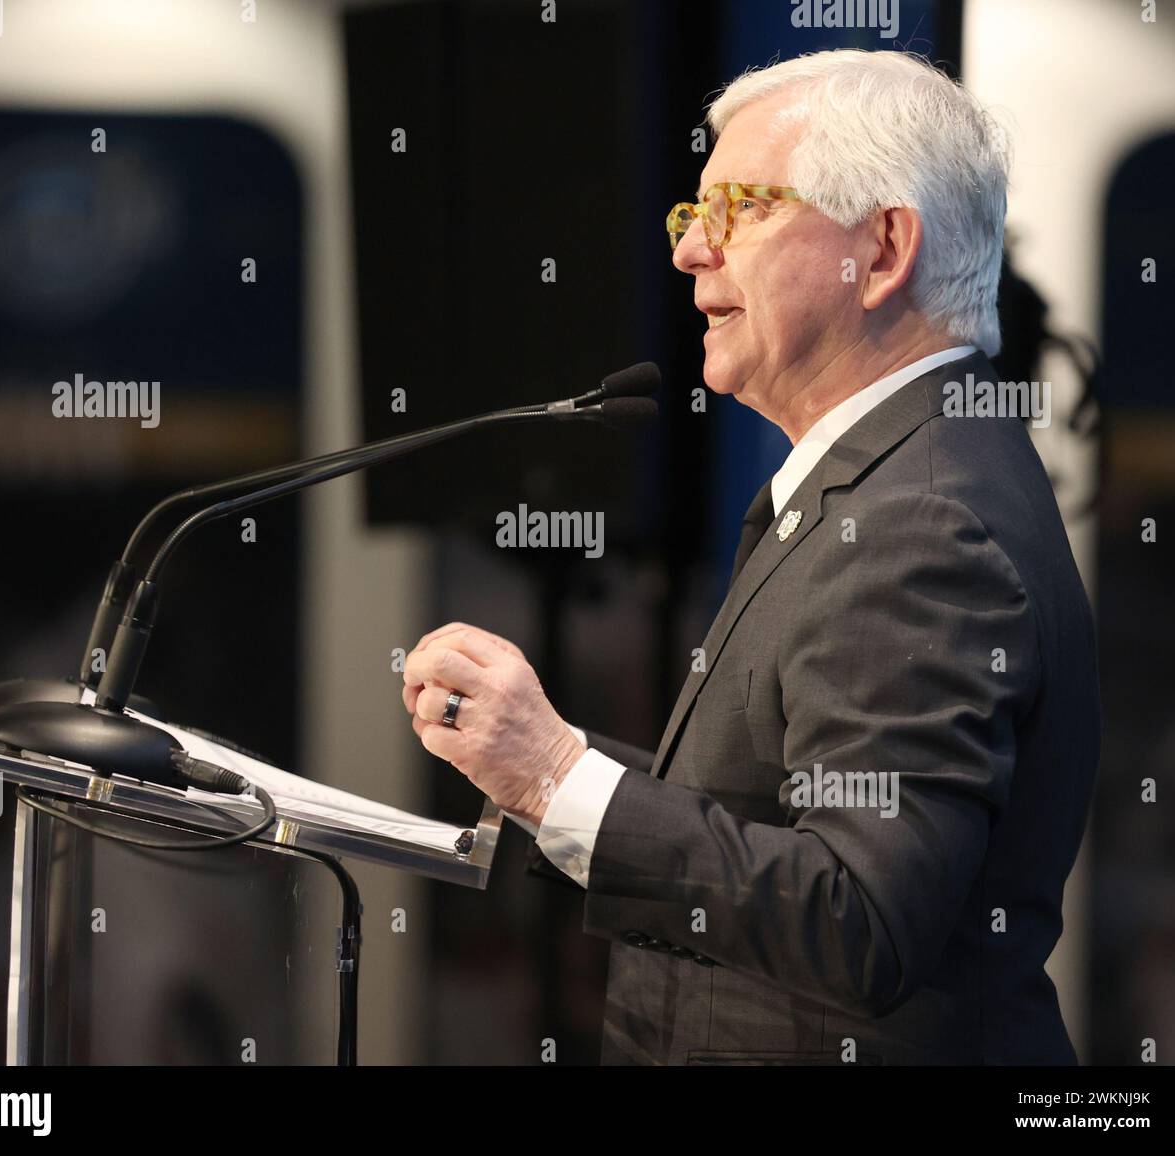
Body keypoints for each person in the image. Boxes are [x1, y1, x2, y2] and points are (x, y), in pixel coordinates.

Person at [402, 49, 1100, 1065]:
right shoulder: (897, 469)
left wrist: (559, 778)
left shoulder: (924, 517)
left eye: (740, 208)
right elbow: (779, 807)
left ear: (886, 247)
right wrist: (536, 777)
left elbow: (858, 913)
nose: (692, 253)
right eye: (692, 217)